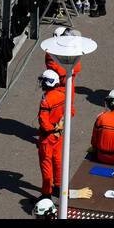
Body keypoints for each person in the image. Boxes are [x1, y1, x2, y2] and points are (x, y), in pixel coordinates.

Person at [36, 68, 65, 197]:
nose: (41, 84)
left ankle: (46, 194)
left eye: (43, 81)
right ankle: (58, 187)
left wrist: (52, 127)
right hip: (58, 134)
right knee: (57, 160)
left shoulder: (46, 100)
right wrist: (59, 126)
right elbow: (70, 112)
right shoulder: (63, 95)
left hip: (47, 137)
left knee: (46, 164)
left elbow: (44, 123)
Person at [44, 27, 83, 100]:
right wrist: (71, 69)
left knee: (69, 107)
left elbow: (77, 67)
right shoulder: (51, 52)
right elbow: (61, 71)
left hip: (68, 83)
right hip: (58, 87)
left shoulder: (66, 49)